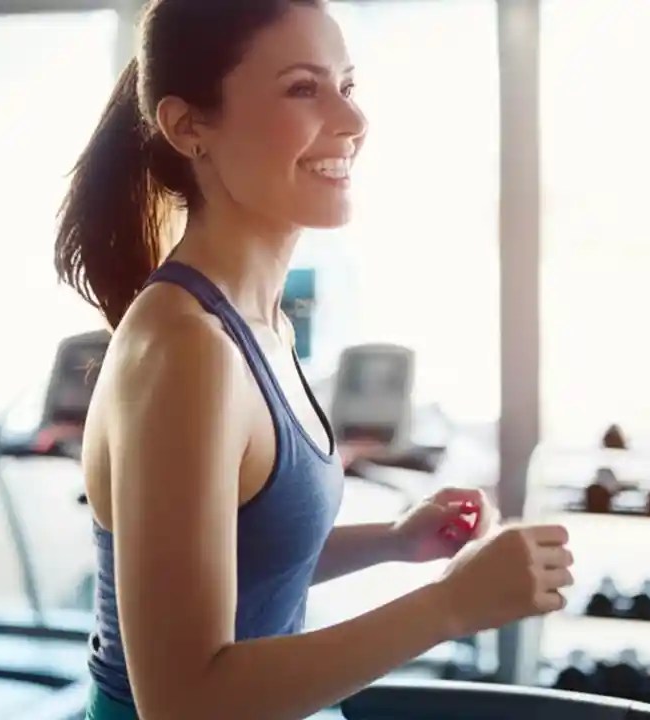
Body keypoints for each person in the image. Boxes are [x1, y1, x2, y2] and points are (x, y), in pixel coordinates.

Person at [53, 1, 575, 718]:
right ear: (188, 126)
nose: (353, 122)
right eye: (303, 88)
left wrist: (393, 542)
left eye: (347, 86)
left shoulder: (257, 325)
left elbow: (240, 564)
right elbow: (183, 701)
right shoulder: (185, 350)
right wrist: (449, 607)